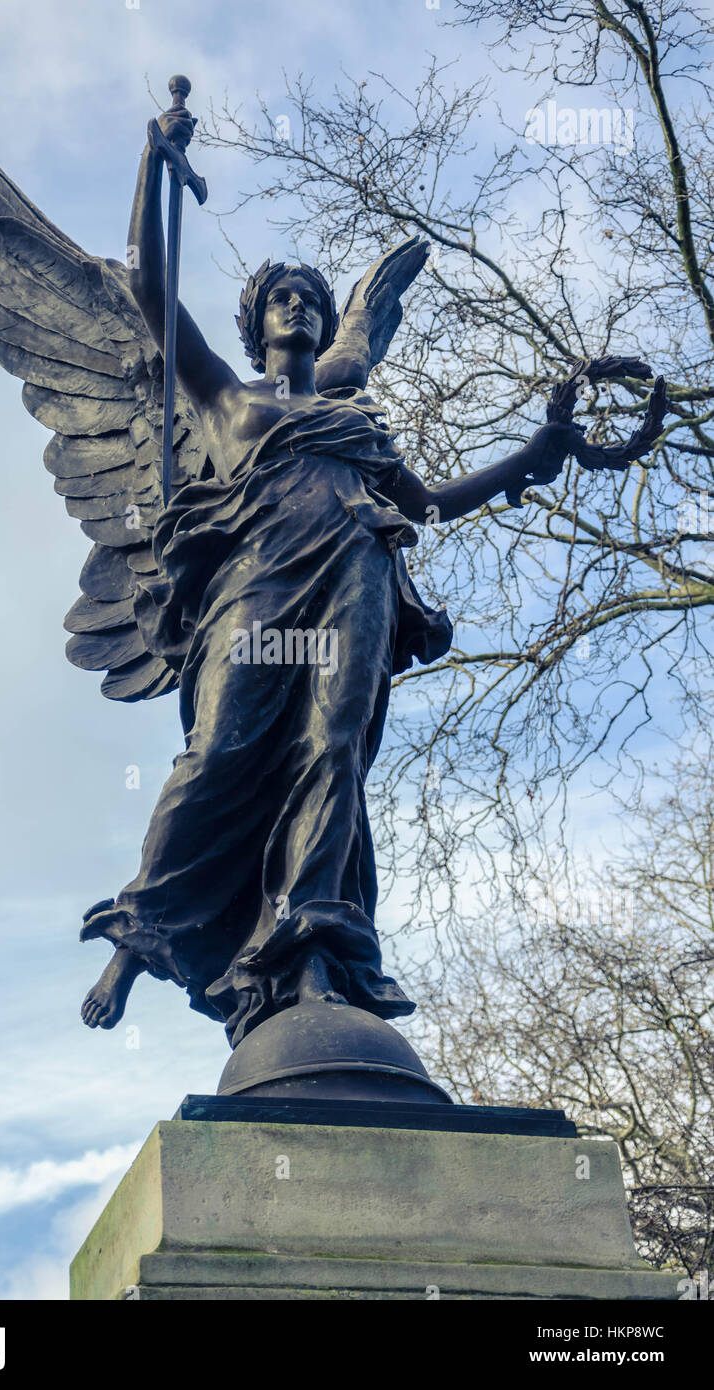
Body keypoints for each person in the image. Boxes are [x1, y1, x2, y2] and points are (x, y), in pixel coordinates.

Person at [80, 106, 580, 1046]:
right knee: (221, 752)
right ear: (256, 320)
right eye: (282, 297)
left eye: (312, 295)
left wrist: (539, 450)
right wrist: (153, 159)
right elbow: (150, 281)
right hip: (260, 597)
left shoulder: (356, 426)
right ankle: (141, 931)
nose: (301, 306)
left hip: (355, 578)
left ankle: (310, 946)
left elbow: (428, 506)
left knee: (333, 753)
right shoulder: (226, 400)